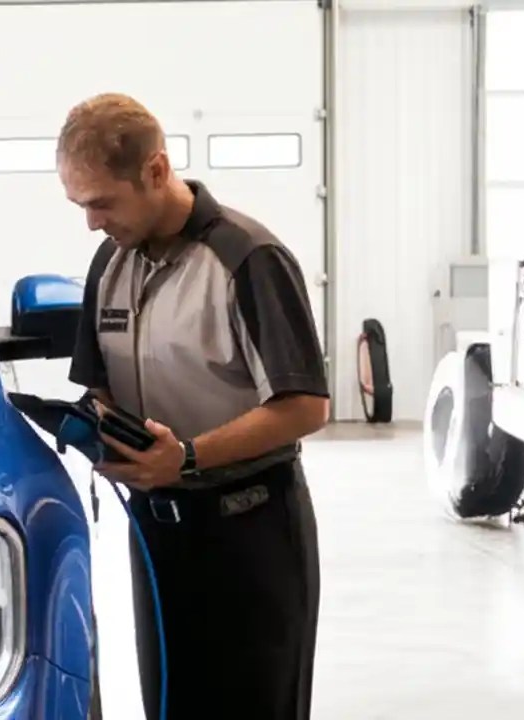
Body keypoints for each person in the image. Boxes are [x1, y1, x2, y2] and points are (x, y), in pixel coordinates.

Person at [58, 92, 330, 720]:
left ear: (155, 171)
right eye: (80, 206)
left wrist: (185, 457)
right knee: (172, 704)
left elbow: (305, 405)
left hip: (250, 533)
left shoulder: (248, 259)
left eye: (102, 202)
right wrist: (100, 429)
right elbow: (99, 385)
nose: (92, 222)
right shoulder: (110, 262)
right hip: (158, 531)